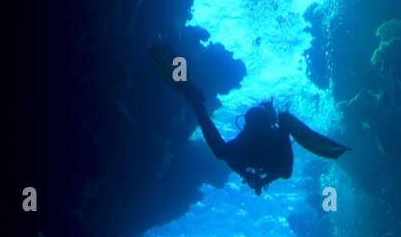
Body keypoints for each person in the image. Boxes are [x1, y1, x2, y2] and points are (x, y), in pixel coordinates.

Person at [149, 45, 349, 195]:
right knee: (230, 151)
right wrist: (257, 178)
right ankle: (197, 102)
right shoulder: (272, 143)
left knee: (223, 151)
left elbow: (229, 157)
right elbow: (285, 171)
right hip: (265, 137)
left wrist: (252, 177)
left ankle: (196, 102)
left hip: (255, 138)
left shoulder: (251, 148)